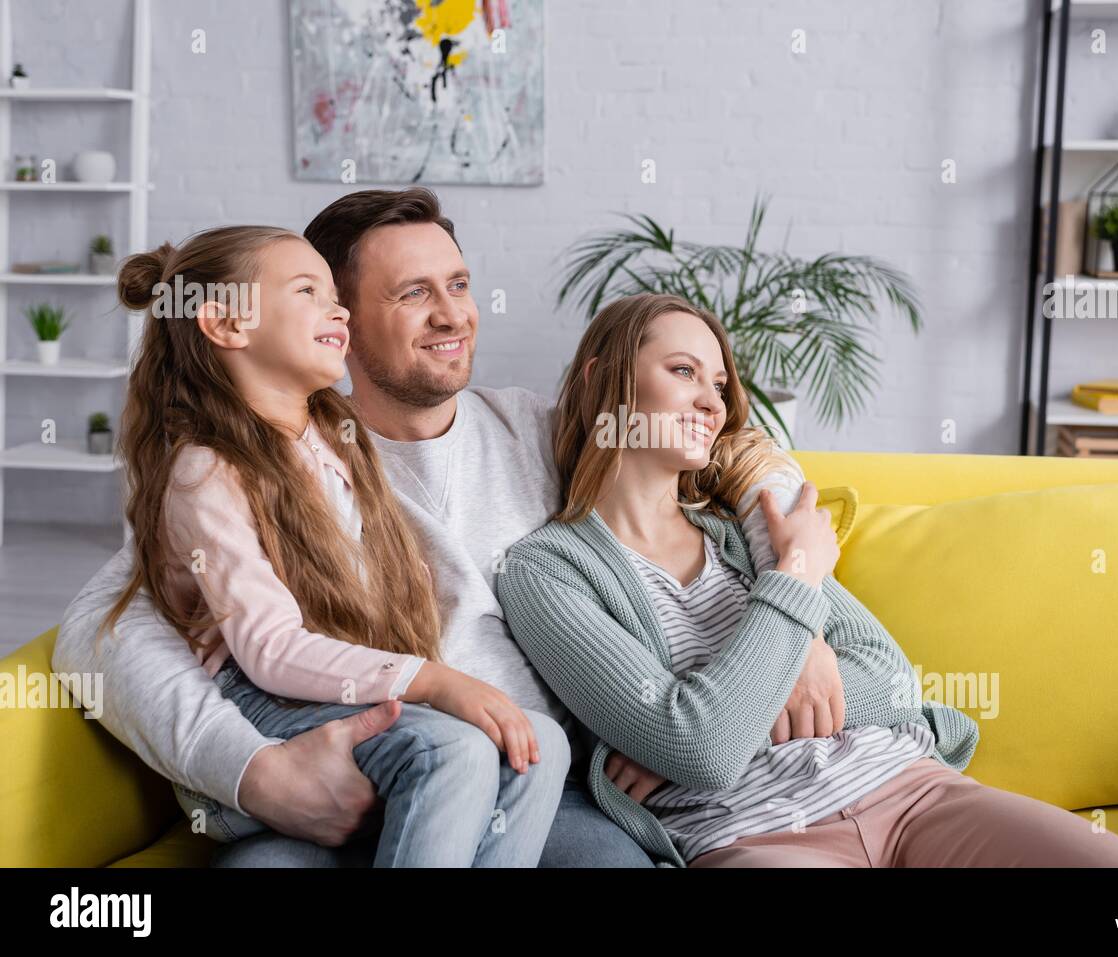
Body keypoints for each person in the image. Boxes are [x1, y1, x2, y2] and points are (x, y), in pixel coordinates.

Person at [54, 188, 814, 867]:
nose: (452, 314)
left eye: (458, 284)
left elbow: (736, 449)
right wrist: (258, 774)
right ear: (340, 322)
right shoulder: (274, 457)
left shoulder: (542, 432)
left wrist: (802, 617)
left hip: (536, 776)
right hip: (355, 767)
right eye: (414, 293)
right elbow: (99, 625)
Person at [497, 292, 1118, 868]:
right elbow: (700, 748)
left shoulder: (747, 526)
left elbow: (895, 680)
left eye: (720, 385)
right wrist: (795, 578)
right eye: (684, 371)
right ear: (599, 380)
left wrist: (733, 717)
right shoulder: (547, 571)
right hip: (752, 834)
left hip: (912, 789)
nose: (712, 400)